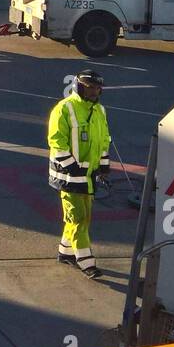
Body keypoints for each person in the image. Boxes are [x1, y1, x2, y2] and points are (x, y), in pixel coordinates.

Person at [47, 69, 111, 279]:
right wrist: (70, 165)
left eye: (97, 88)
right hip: (69, 177)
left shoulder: (100, 110)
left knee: (81, 217)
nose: (94, 92)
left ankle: (65, 252)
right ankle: (86, 262)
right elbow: (57, 141)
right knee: (78, 219)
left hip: (89, 176)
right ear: (79, 86)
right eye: (90, 87)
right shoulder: (65, 108)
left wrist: (103, 166)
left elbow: (104, 140)